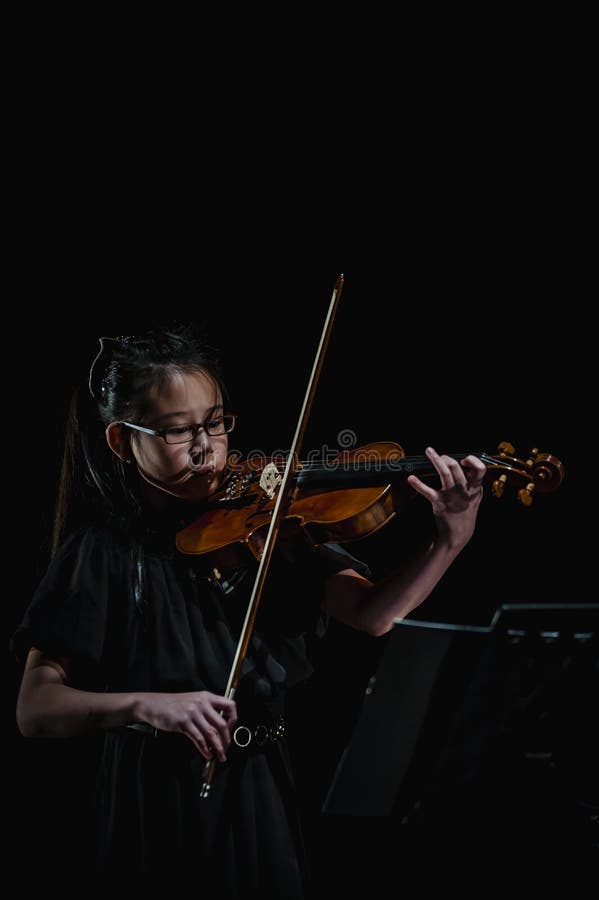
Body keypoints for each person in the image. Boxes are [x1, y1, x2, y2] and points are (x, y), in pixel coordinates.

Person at [13, 324, 485, 895]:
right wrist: (149, 705)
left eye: (214, 423)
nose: (205, 448)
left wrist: (447, 541)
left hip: (260, 785)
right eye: (177, 431)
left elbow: (372, 613)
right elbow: (36, 707)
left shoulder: (270, 528)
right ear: (121, 440)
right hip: (154, 796)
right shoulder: (103, 553)